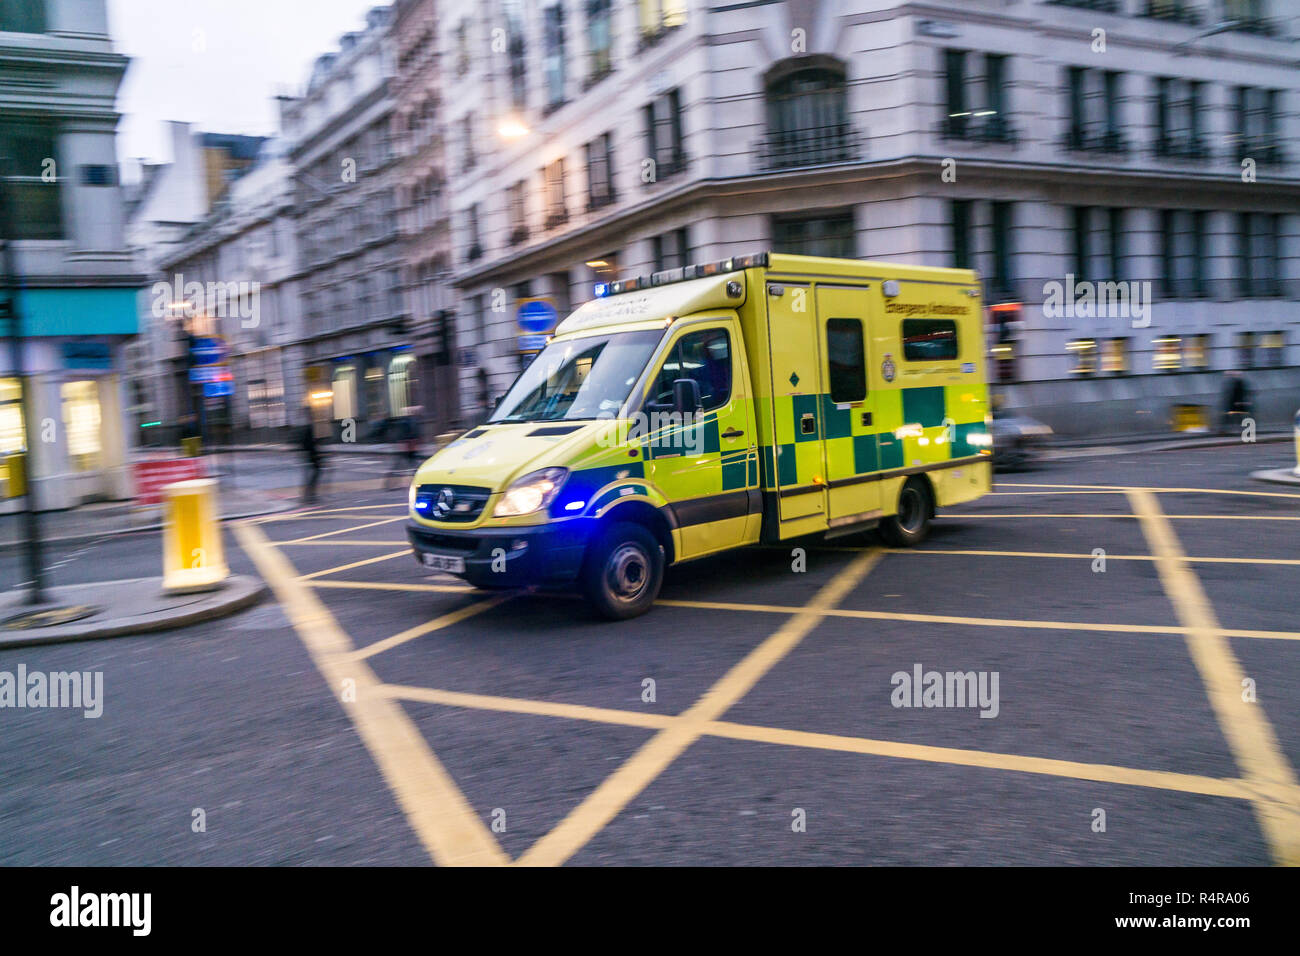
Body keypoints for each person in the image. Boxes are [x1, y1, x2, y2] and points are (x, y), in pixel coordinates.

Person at [300, 414, 324, 504]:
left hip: (309, 455)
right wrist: (316, 455)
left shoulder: (308, 427)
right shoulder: (309, 428)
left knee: (312, 475)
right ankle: (310, 495)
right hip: (312, 455)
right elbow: (309, 444)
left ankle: (309, 494)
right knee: (314, 475)